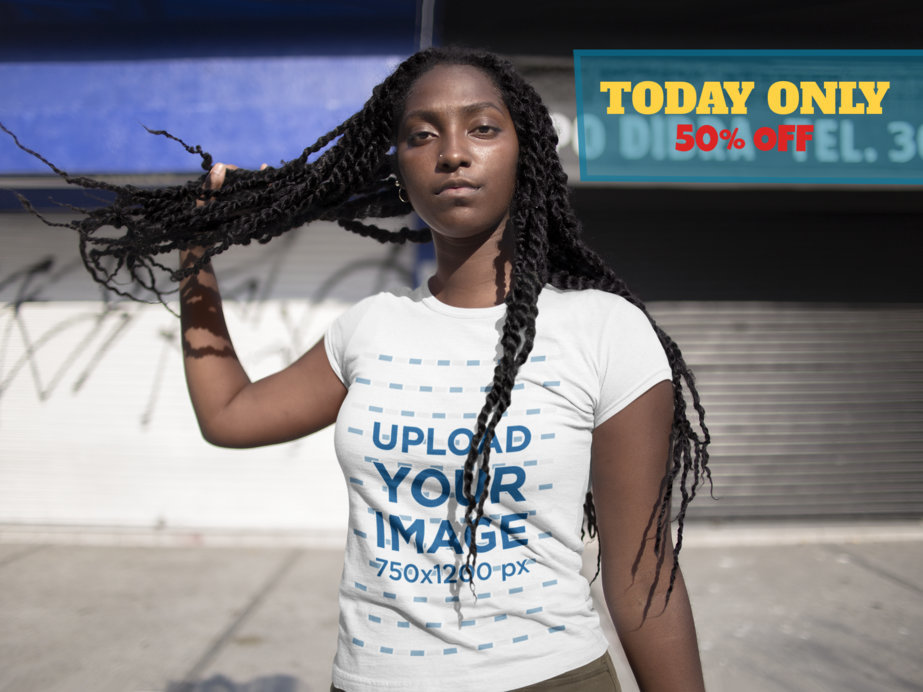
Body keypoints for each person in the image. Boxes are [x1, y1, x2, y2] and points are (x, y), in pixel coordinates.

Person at [3, 47, 710, 692]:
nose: (452, 153)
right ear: (398, 168)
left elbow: (641, 567)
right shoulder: (368, 328)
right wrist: (196, 254)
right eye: (421, 133)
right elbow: (230, 416)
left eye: (482, 128)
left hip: (550, 677)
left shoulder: (604, 332)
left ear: (526, 154)